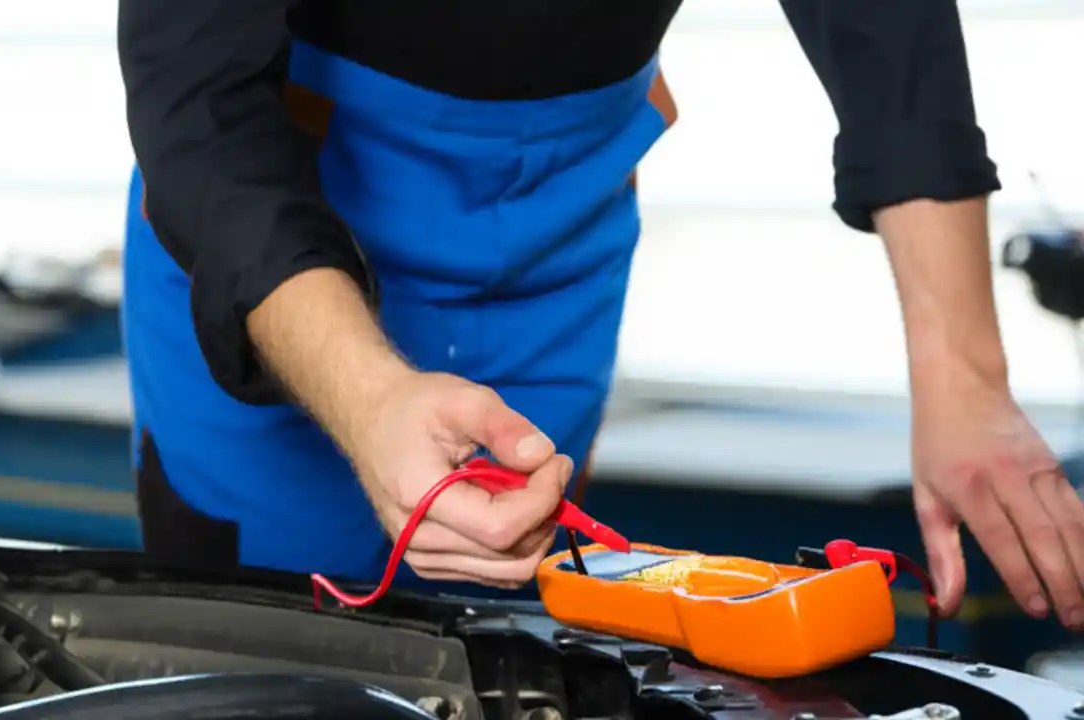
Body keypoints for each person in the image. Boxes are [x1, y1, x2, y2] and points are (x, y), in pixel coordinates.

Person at [117, 0, 1084, 627]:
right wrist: (368, 400)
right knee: (262, 660)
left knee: (500, 650)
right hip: (276, 248)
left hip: (559, 225)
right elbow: (199, 107)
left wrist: (964, 375)